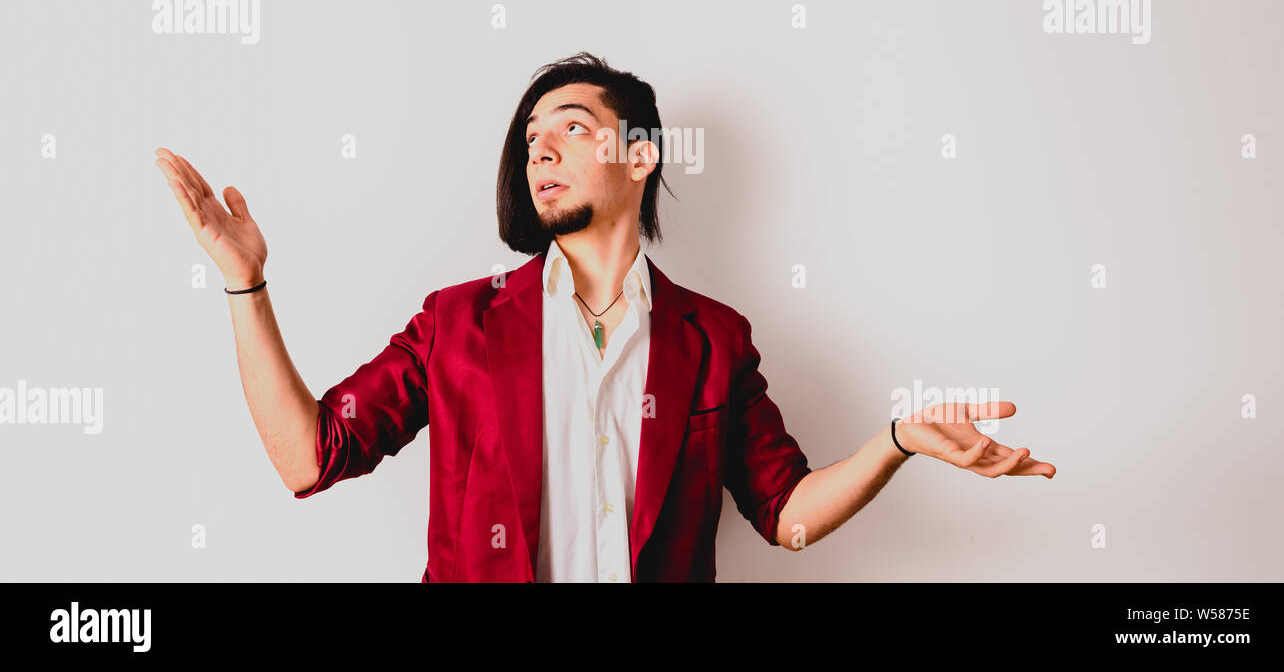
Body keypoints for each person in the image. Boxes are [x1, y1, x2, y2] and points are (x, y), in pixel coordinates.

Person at [154, 52, 1055, 582]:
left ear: (639, 156)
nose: (542, 145)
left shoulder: (715, 341)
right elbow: (308, 455)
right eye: (533, 137)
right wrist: (245, 282)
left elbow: (786, 515)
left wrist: (895, 439)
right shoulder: (457, 324)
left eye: (574, 126)